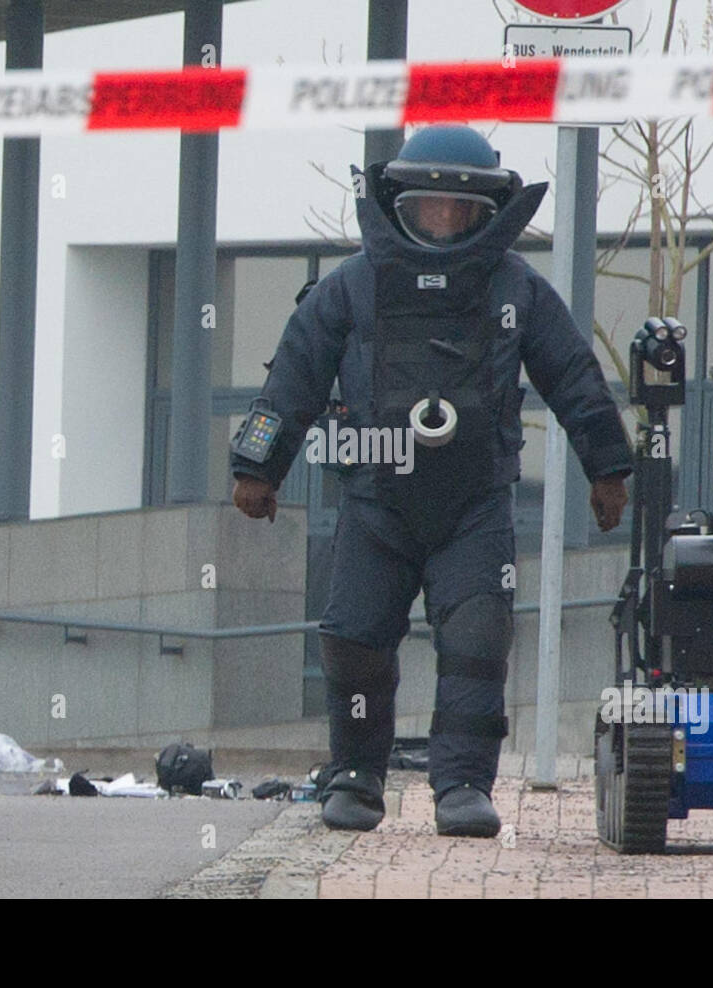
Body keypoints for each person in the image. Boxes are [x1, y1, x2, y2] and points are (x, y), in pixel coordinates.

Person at [231, 125, 632, 837]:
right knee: (354, 639)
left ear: (485, 213)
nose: (443, 223)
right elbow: (294, 372)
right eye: (429, 209)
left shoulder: (516, 287)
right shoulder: (353, 285)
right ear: (401, 207)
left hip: (474, 503)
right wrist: (257, 466)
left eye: (458, 212)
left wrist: (607, 466)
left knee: (477, 640)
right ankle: (355, 776)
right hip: (374, 498)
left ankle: (464, 786)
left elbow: (572, 373)